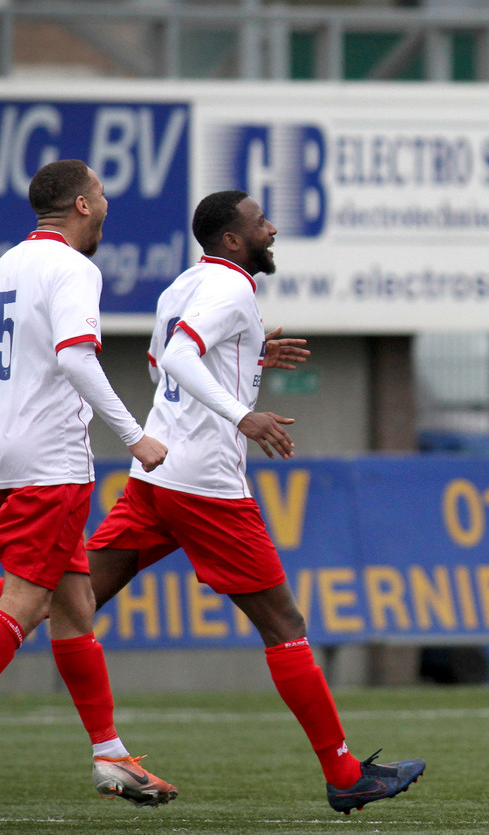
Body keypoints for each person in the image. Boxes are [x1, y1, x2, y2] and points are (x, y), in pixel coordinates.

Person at [84, 190, 426, 815]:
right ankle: (345, 774)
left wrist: (250, 361)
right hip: (206, 486)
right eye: (261, 222)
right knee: (285, 625)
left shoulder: (182, 286)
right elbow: (184, 357)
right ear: (234, 241)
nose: (272, 228)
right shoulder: (234, 288)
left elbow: (164, 363)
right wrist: (243, 413)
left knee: (69, 599)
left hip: (155, 474)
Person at [0, 159, 176, 807]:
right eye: (101, 194)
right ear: (80, 205)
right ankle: (109, 754)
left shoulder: (8, 264)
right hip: (49, 463)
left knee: (74, 608)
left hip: (5, 456)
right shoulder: (73, 269)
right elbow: (76, 355)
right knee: (21, 603)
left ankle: (111, 757)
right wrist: (136, 437)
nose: (106, 205)